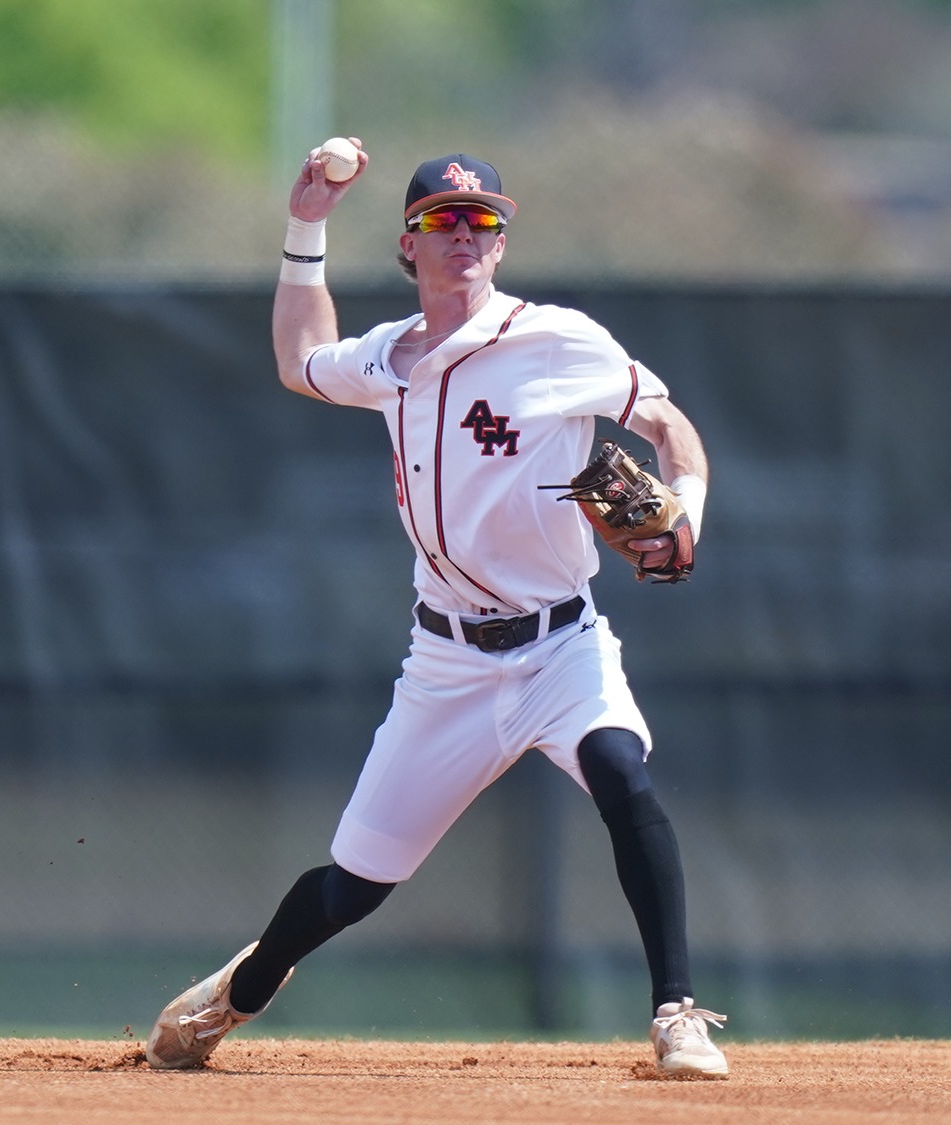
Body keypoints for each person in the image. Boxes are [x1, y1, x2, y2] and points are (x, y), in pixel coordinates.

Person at [143, 140, 728, 1078]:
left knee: (623, 772)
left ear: (502, 244)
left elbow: (664, 421)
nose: (466, 235)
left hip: (560, 643)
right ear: (409, 245)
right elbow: (299, 359)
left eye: (484, 221)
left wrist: (687, 510)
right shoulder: (391, 358)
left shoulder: (557, 339)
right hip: (446, 663)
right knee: (352, 887)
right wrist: (307, 223)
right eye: (443, 222)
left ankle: (678, 1016)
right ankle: (236, 993)